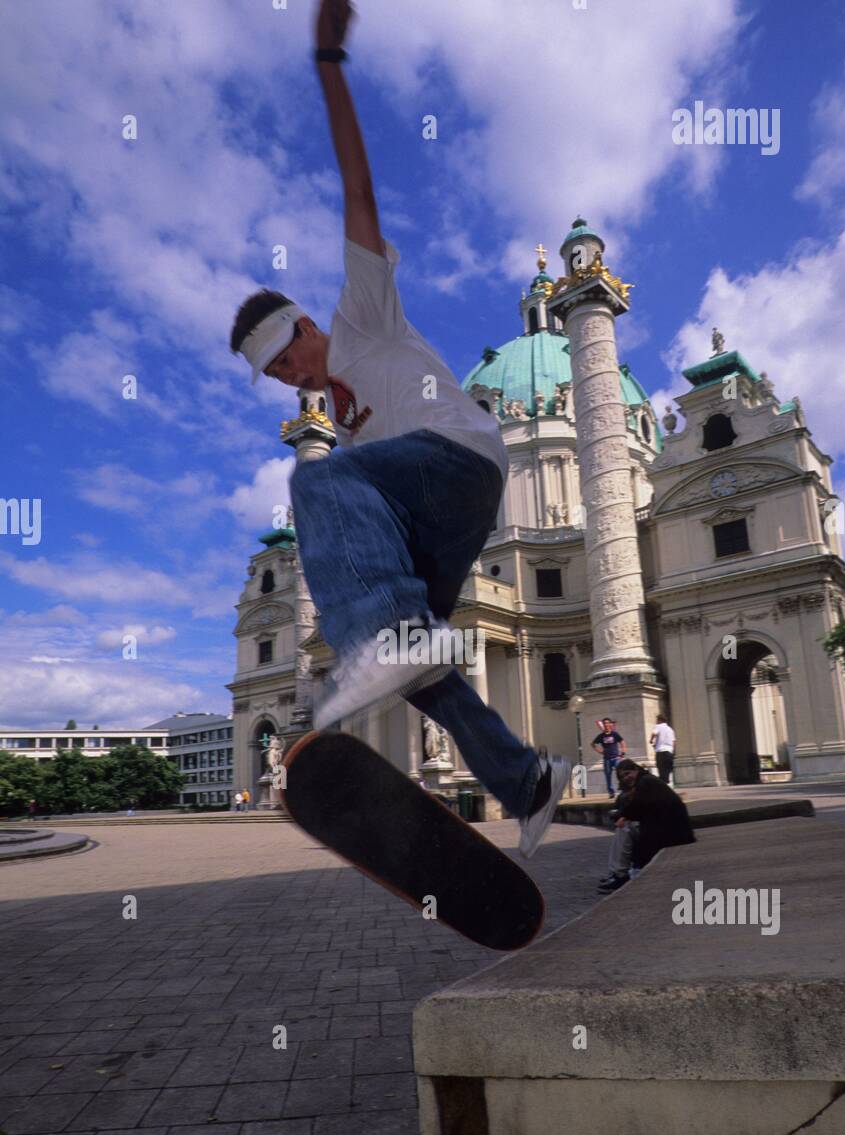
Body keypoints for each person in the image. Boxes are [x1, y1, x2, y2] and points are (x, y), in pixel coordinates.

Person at [228, 0, 571, 858]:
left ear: (304, 329)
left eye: (286, 363)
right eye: (275, 380)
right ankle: (525, 778)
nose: (292, 382)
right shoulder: (342, 422)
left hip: (461, 461)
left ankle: (388, 640)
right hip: (433, 517)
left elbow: (358, 189)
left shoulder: (363, 315)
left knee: (316, 480)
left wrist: (329, 69)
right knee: (416, 663)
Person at [597, 758, 695, 893]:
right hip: (670, 829)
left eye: (628, 773)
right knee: (626, 827)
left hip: (673, 832)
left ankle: (619, 874)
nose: (626, 778)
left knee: (624, 828)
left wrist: (622, 816)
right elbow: (639, 809)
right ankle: (617, 873)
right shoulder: (645, 781)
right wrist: (623, 815)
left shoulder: (646, 782)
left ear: (636, 770)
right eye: (622, 776)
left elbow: (636, 808)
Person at [591, 718, 626, 798]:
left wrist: (622, 753)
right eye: (604, 723)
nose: (606, 725)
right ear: (603, 725)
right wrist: (599, 751)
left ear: (610, 724)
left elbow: (622, 742)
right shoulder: (601, 736)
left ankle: (624, 790)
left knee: (621, 773)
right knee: (608, 776)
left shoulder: (614, 734)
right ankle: (611, 792)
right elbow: (592, 744)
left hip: (616, 758)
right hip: (606, 759)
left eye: (607, 723)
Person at [650, 716, 676, 784]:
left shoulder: (659, 726)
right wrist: (672, 751)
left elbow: (654, 733)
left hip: (661, 752)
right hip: (669, 752)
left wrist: (651, 740)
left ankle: (662, 786)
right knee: (667, 771)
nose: (656, 722)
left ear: (660, 720)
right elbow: (673, 741)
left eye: (657, 720)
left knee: (661, 770)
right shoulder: (670, 729)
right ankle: (666, 784)